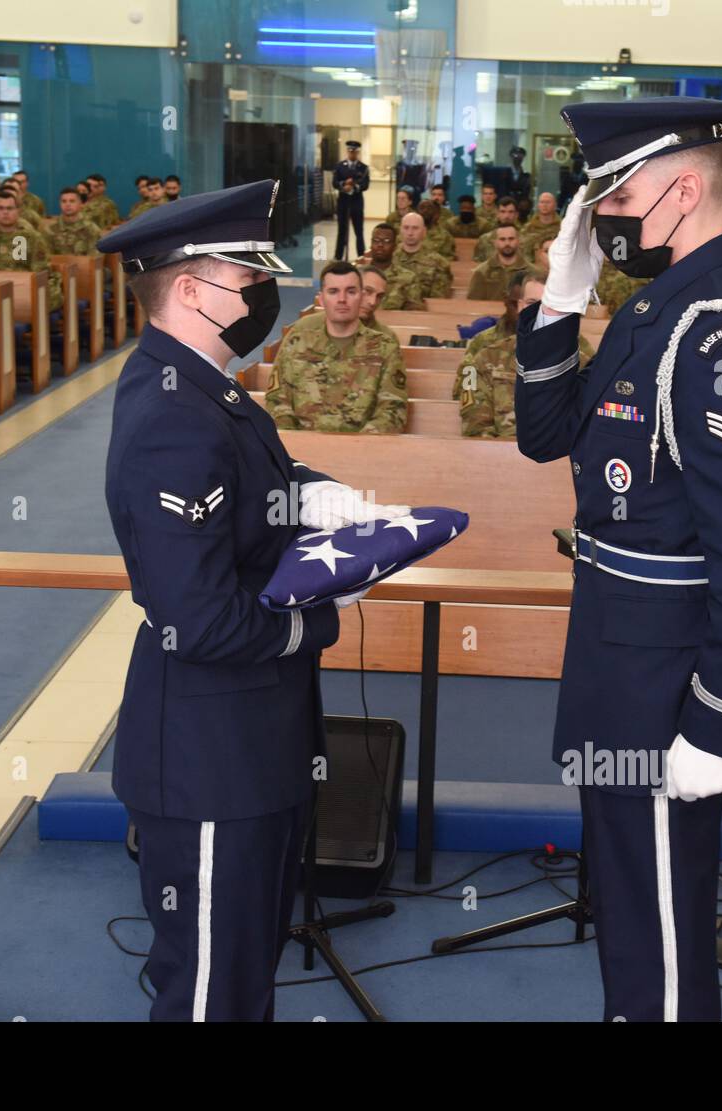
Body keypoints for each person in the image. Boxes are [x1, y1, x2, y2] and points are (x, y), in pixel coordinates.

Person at [512, 96, 722, 1023]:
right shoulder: (658, 307)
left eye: (615, 195)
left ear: (683, 190)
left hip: (667, 689)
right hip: (618, 662)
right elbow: (546, 434)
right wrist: (562, 298)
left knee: (662, 932)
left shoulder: (720, 330)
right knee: (631, 907)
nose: (601, 216)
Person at [97, 180, 407, 1022]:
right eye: (248, 277)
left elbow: (252, 472)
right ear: (190, 290)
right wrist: (322, 612)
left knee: (246, 973)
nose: (265, 292)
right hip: (210, 757)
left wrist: (312, 492)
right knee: (212, 989)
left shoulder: (208, 386)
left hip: (253, 743)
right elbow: (198, 618)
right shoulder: (172, 412)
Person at [265, 260, 407, 434]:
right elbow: (277, 400)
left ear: (361, 296)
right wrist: (294, 442)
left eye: (351, 291)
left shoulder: (385, 348)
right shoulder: (298, 341)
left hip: (364, 447)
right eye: (333, 292)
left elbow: (392, 410)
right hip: (299, 447)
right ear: (321, 299)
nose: (342, 299)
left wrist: (357, 446)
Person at [459, 270, 544, 438]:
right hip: (497, 450)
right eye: (531, 303)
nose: (538, 312)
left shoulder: (582, 361)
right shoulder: (484, 356)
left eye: (547, 305)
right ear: (519, 305)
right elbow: (476, 426)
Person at [0, 190, 62, 311]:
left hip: (21, 292)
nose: (5, 212)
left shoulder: (28, 237)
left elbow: (40, 273)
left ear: (18, 211)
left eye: (10, 208)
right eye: (0, 208)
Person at [360, 222, 424, 310]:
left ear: (394, 246)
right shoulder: (358, 275)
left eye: (386, 241)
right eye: (376, 240)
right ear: (371, 244)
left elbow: (414, 313)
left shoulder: (408, 278)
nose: (380, 245)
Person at [388, 211, 451, 299]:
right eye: (406, 228)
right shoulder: (388, 258)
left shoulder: (439, 263)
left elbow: (438, 301)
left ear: (424, 231)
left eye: (415, 228)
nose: (410, 233)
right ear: (400, 230)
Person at [467, 224, 528, 300]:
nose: (507, 243)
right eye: (502, 239)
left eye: (511, 239)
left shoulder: (532, 272)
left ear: (518, 241)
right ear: (495, 243)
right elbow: (473, 303)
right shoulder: (481, 272)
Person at [333, 140, 370, 260]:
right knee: (341, 231)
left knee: (359, 231)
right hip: (343, 202)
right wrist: (344, 185)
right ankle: (338, 257)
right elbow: (335, 182)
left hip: (356, 202)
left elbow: (365, 185)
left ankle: (361, 257)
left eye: (354, 151)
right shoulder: (339, 166)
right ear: (347, 151)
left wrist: (354, 187)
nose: (352, 153)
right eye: (350, 151)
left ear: (358, 152)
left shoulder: (363, 168)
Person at [473, 196, 534, 264]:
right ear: (497, 214)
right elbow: (477, 265)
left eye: (510, 212)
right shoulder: (484, 240)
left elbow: (530, 266)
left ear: (516, 214)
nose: (506, 216)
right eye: (503, 211)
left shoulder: (527, 241)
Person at [42, 186, 102, 255]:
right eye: (64, 201)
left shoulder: (91, 229)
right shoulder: (50, 230)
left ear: (80, 204)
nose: (68, 205)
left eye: (72, 201)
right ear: (60, 204)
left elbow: (94, 258)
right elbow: (46, 257)